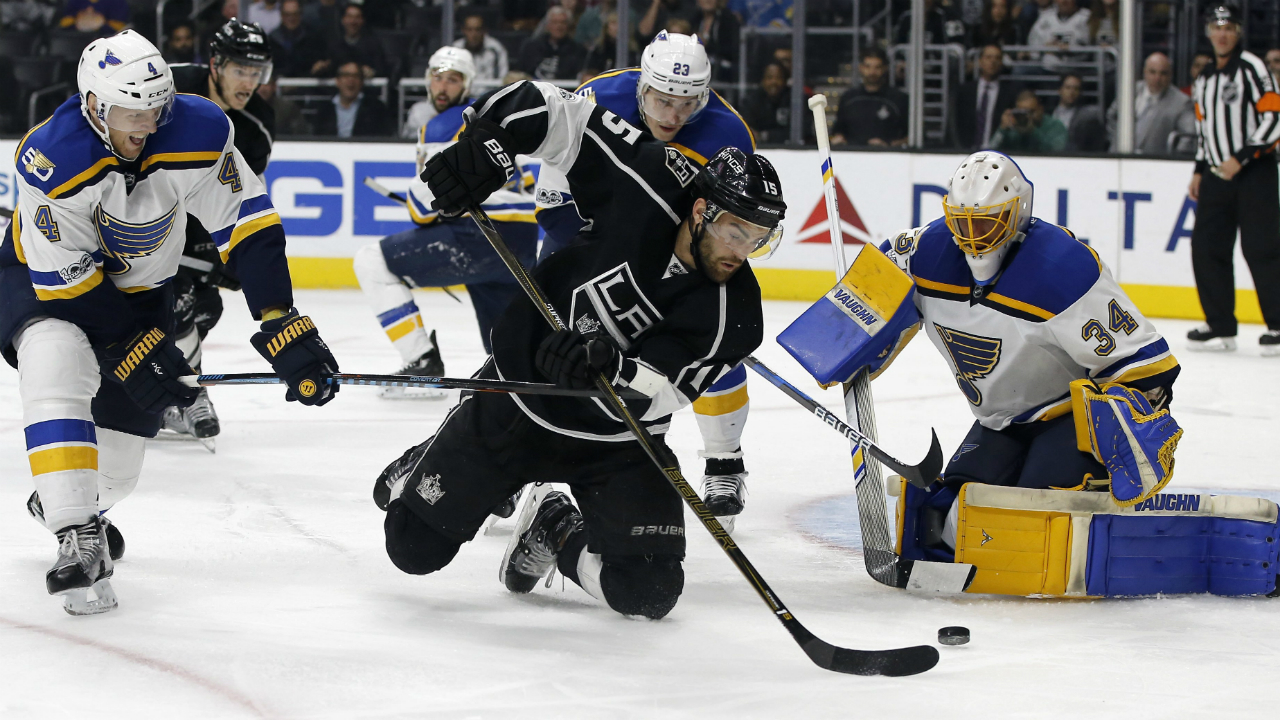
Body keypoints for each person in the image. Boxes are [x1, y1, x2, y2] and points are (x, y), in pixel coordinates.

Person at [375, 79, 786, 619]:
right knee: (412, 547)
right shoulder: (652, 178)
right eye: (736, 231)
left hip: (615, 440)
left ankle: (556, 530)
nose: (744, 251)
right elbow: (558, 113)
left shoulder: (738, 311)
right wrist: (486, 142)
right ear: (701, 210)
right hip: (514, 402)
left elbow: (664, 393)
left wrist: (612, 368)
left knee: (649, 592)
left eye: (760, 238)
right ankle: (443, 449)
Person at [4, 30, 339, 615]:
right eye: (131, 111)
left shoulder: (201, 129)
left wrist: (281, 321)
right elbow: (72, 288)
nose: (146, 124)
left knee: (119, 471)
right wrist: (140, 350)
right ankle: (76, 536)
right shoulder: (51, 160)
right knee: (56, 361)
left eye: (156, 109)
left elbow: (248, 224)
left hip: (142, 294)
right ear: (93, 106)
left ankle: (71, 500)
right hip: (46, 285)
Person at [875, 150, 1182, 573]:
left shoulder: (1062, 269)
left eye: (985, 221)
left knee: (1027, 516)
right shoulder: (925, 253)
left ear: (1016, 213)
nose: (972, 235)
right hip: (1001, 419)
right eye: (960, 222)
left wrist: (1132, 422)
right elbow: (866, 290)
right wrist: (848, 331)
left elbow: (1147, 367)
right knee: (947, 522)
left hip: (1070, 416)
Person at [533, 32, 759, 527]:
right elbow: (553, 206)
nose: (673, 116)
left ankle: (725, 461)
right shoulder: (595, 99)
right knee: (548, 337)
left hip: (668, 246)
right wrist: (602, 255)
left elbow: (724, 219)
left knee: (711, 338)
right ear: (641, 87)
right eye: (661, 101)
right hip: (584, 235)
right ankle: (525, 455)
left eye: (688, 104)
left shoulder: (728, 134)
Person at [353, 46, 538, 397]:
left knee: (371, 261)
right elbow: (527, 185)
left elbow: (422, 209)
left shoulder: (442, 124)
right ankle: (524, 381)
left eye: (452, 79)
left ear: (466, 84)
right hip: (521, 239)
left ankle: (421, 359)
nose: (443, 86)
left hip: (477, 236)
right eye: (437, 78)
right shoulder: (498, 116)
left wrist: (424, 208)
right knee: (504, 354)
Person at [166, 18, 278, 446]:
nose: (249, 82)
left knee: (205, 308)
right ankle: (189, 394)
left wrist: (227, 252)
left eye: (257, 72)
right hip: (135, 214)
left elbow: (236, 199)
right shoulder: (169, 86)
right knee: (174, 299)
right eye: (240, 70)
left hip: (193, 222)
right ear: (216, 64)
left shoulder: (257, 124)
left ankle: (155, 393)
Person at [1185, 4, 1280, 354]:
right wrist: (1198, 168)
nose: (1222, 34)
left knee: (1262, 248)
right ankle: (1219, 323)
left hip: (1254, 171)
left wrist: (1241, 158)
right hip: (1215, 175)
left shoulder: (1253, 68)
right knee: (1207, 248)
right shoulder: (1204, 77)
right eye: (1217, 27)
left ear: (1238, 32)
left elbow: (1274, 117)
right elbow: (1204, 130)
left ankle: (1278, 324)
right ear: (1209, 32)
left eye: (1229, 27)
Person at [1106, 52, 1195, 156]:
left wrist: (1174, 159)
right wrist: (1117, 140)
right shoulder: (1130, 90)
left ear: (1170, 75)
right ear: (1145, 72)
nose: (1157, 78)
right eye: (1152, 72)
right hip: (1119, 157)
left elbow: (1188, 136)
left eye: (1163, 73)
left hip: (1156, 163)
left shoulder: (1182, 102)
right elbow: (1111, 116)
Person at [831, 47, 909, 147]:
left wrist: (888, 145)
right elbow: (838, 131)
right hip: (852, 158)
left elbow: (911, 137)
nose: (872, 72)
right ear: (861, 68)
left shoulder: (899, 99)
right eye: (868, 67)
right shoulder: (848, 98)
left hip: (888, 158)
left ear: (885, 68)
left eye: (877, 67)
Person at [953, 44, 1023, 150]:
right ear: (980, 61)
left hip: (998, 152)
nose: (993, 61)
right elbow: (956, 122)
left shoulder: (1010, 93)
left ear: (1001, 63)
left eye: (997, 58)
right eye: (988, 57)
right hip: (967, 151)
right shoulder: (965, 90)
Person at [313, 60, 393, 137]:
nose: (351, 80)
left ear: (361, 82)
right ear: (338, 81)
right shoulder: (324, 110)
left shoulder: (376, 109)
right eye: (346, 75)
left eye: (355, 76)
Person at [517, 6, 587, 80]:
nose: (559, 26)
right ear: (547, 25)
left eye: (563, 22)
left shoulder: (578, 50)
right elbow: (521, 73)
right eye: (555, 22)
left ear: (568, 26)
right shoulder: (531, 47)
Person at [991, 89, 1066, 152]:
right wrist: (1002, 130)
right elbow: (990, 152)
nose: (1027, 116)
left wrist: (1033, 131)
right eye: (1022, 112)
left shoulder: (1055, 125)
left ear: (1041, 109)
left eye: (1031, 112)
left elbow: (1058, 151)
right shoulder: (1013, 127)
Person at [1026, 0, 1091, 73]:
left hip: (1078, 70)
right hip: (1046, 69)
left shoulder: (1087, 17)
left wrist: (1069, 48)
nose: (1064, 1)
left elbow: (1090, 46)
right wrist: (1045, 47)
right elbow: (1034, 46)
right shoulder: (1045, 17)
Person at [326, 3, 386, 79]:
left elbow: (381, 70)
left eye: (357, 17)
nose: (353, 22)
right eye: (349, 17)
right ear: (343, 20)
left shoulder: (373, 45)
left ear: (362, 21)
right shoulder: (334, 46)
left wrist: (372, 72)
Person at [268, 0, 325, 78]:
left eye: (295, 14)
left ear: (301, 14)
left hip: (307, 85)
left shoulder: (313, 38)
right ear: (281, 15)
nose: (291, 18)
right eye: (287, 14)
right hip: (279, 85)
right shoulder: (272, 40)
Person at [1051, 72, 1105, 151]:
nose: (1071, 92)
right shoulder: (1048, 112)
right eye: (1068, 88)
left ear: (1080, 92)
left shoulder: (1087, 118)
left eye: (1076, 88)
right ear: (1060, 90)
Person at [452, 11, 509, 84]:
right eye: (470, 30)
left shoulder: (496, 49)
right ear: (463, 31)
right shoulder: (456, 49)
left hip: (491, 94)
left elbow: (503, 79)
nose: (474, 34)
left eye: (477, 30)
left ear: (484, 31)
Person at [739, 61, 789, 144]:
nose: (774, 82)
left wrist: (765, 136)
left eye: (778, 78)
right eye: (769, 78)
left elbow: (800, 131)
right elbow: (746, 130)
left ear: (784, 81)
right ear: (763, 80)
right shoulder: (751, 100)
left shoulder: (794, 100)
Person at [692, 0, 739, 82]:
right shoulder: (695, 19)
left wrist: (707, 44)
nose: (708, 1)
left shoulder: (728, 19)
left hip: (722, 69)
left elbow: (733, 49)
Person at [57, 0, 127, 34]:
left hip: (106, 43)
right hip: (73, 44)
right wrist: (79, 19)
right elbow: (62, 24)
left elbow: (122, 28)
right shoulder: (74, 1)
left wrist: (102, 23)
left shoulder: (117, 2)